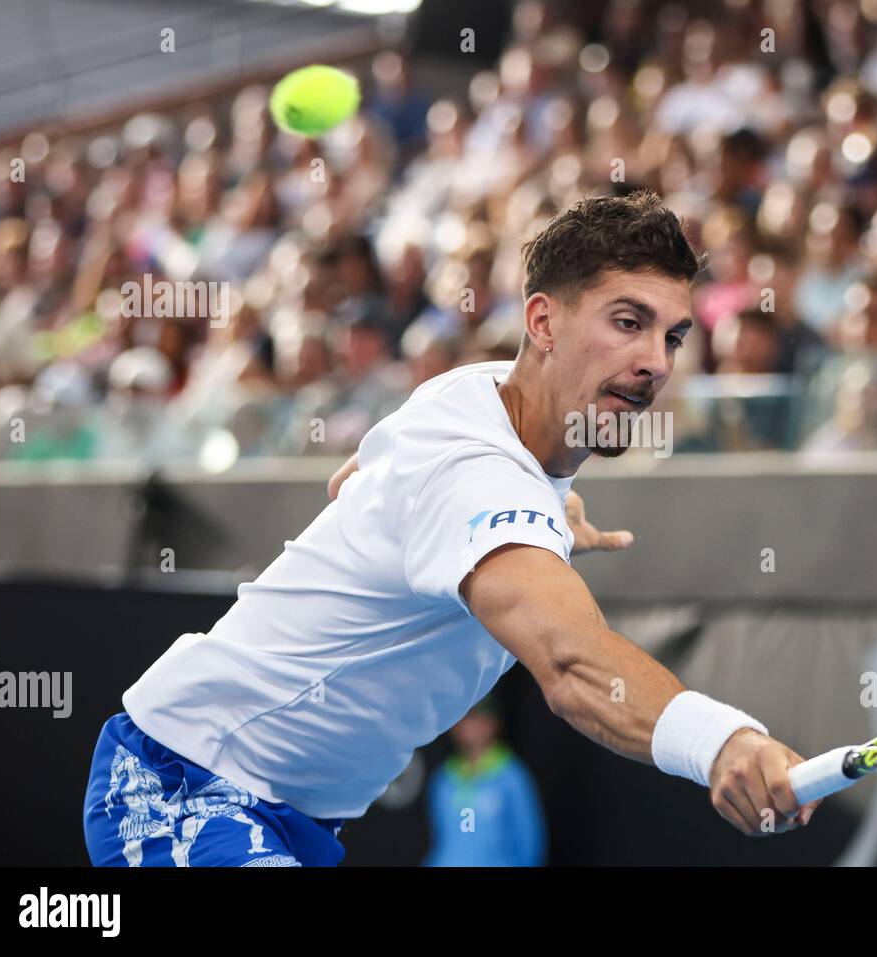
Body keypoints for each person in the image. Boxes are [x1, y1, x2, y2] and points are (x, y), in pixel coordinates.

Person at [82, 191, 818, 867]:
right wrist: (721, 741)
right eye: (628, 323)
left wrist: (544, 513)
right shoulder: (478, 474)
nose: (654, 361)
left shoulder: (475, 395)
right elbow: (571, 668)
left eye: (673, 335)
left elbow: (367, 472)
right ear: (542, 321)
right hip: (184, 783)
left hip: (290, 816)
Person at [422, 700, 546, 867]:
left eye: (476, 717)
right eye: (463, 718)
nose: (468, 725)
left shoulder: (511, 776)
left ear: (492, 723)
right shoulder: (443, 779)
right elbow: (441, 839)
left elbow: (528, 839)